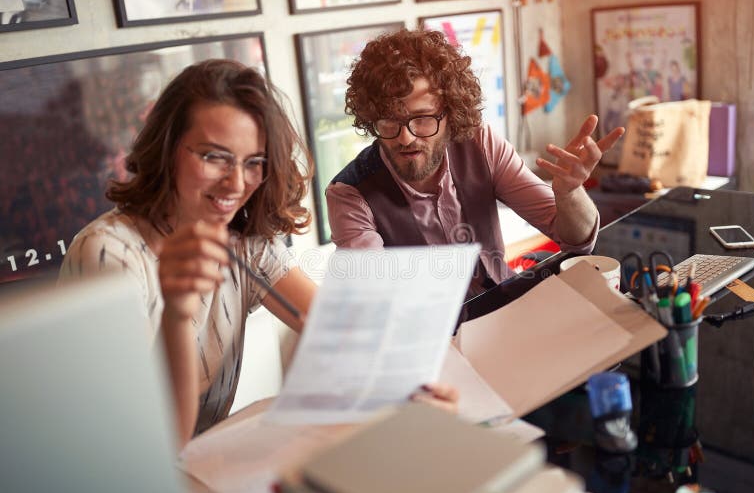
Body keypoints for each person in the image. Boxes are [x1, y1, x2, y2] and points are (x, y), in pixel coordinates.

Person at [58, 59, 457, 449]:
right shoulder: (108, 255)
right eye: (214, 156)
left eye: (253, 163)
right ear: (167, 149)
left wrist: (406, 385)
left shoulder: (245, 244)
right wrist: (177, 314)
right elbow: (153, 443)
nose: (236, 182)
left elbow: (342, 333)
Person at [326, 29, 625, 295]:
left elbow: (577, 241)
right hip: (429, 341)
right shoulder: (350, 193)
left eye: (422, 118)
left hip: (504, 310)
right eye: (389, 121)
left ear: (450, 111)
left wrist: (570, 194)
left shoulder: (480, 145)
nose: (406, 138)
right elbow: (370, 299)